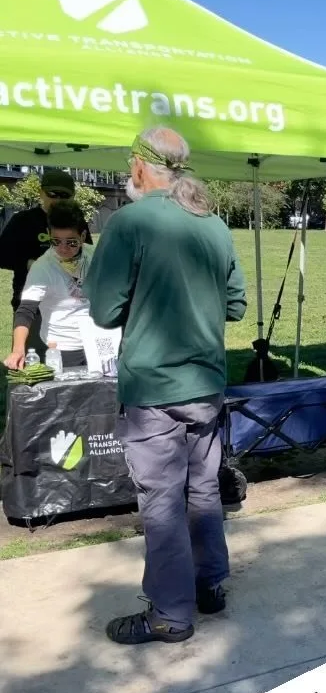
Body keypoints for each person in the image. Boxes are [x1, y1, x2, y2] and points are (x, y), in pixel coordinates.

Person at [86, 127, 247, 647]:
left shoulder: (129, 222)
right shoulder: (214, 225)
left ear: (138, 166)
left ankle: (170, 615)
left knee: (161, 501)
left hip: (154, 387)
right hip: (206, 385)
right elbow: (235, 305)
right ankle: (209, 584)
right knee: (202, 489)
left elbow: (103, 310)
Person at [4, 202, 94, 374]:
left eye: (71, 242)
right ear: (48, 234)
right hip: (62, 346)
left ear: (83, 236)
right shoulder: (43, 267)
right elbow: (26, 310)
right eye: (56, 241)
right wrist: (18, 349)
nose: (63, 249)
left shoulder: (94, 255)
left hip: (96, 340)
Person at [0, 167, 92, 335]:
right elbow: (2, 255)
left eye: (64, 195)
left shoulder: (77, 221)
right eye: (53, 194)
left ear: (72, 196)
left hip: (70, 309)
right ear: (41, 193)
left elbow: (86, 253)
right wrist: (30, 264)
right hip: (32, 309)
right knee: (33, 351)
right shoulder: (23, 220)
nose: (58, 200)